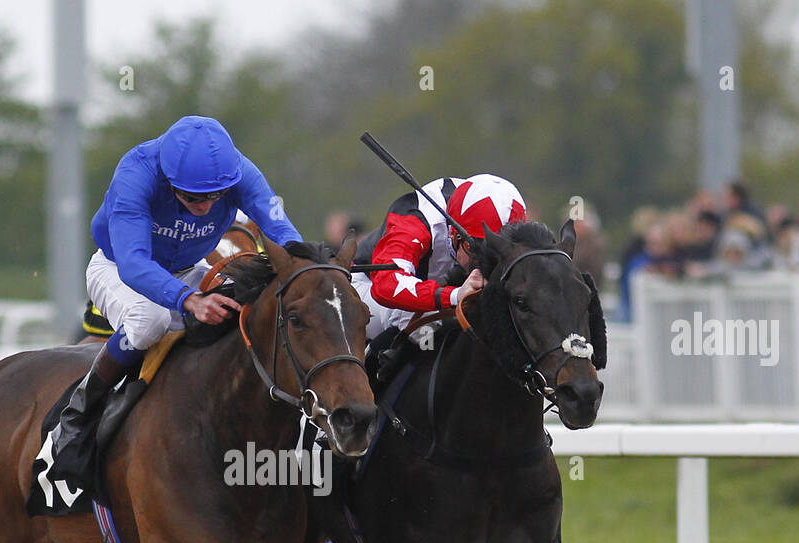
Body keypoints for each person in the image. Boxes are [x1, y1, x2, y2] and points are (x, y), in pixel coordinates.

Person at [39, 115, 301, 492]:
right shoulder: (136, 172)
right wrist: (188, 299)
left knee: (253, 305)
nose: (205, 206)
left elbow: (282, 232)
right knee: (150, 321)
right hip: (118, 267)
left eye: (215, 196)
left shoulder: (242, 171)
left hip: (186, 267)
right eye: (193, 197)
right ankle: (78, 415)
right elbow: (133, 262)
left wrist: (312, 267)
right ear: (169, 179)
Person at [350, 173, 527, 380]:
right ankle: (368, 387)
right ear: (454, 234)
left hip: (436, 281)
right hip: (367, 286)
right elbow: (387, 286)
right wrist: (454, 296)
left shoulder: (497, 213)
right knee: (414, 322)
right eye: (478, 252)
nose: (486, 264)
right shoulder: (415, 220)